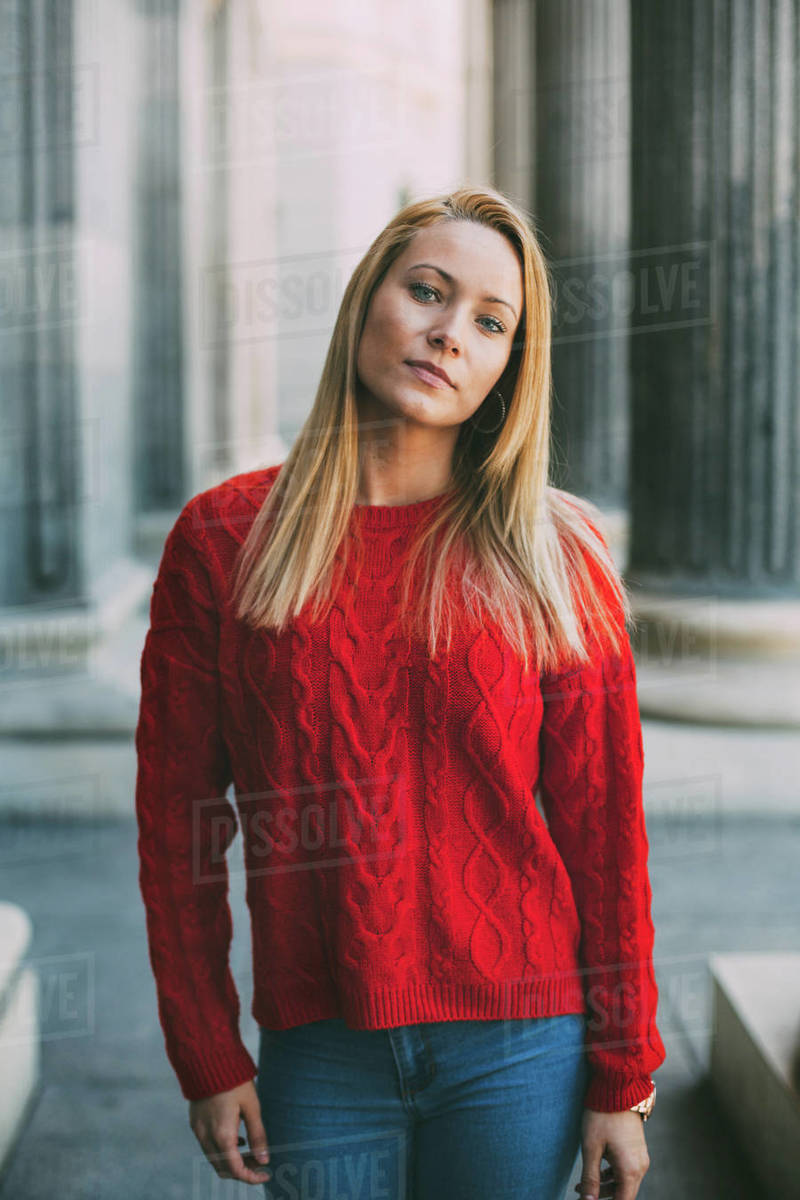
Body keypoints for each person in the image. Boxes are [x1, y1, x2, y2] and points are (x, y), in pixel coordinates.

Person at [135, 185, 666, 1200]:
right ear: (363, 301)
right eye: (426, 290)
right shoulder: (220, 541)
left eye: (488, 321)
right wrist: (205, 1048)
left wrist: (622, 1073)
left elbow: (605, 836)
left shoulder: (555, 556)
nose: (447, 333)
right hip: (317, 1042)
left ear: (511, 364)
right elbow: (178, 824)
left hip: (522, 1046)